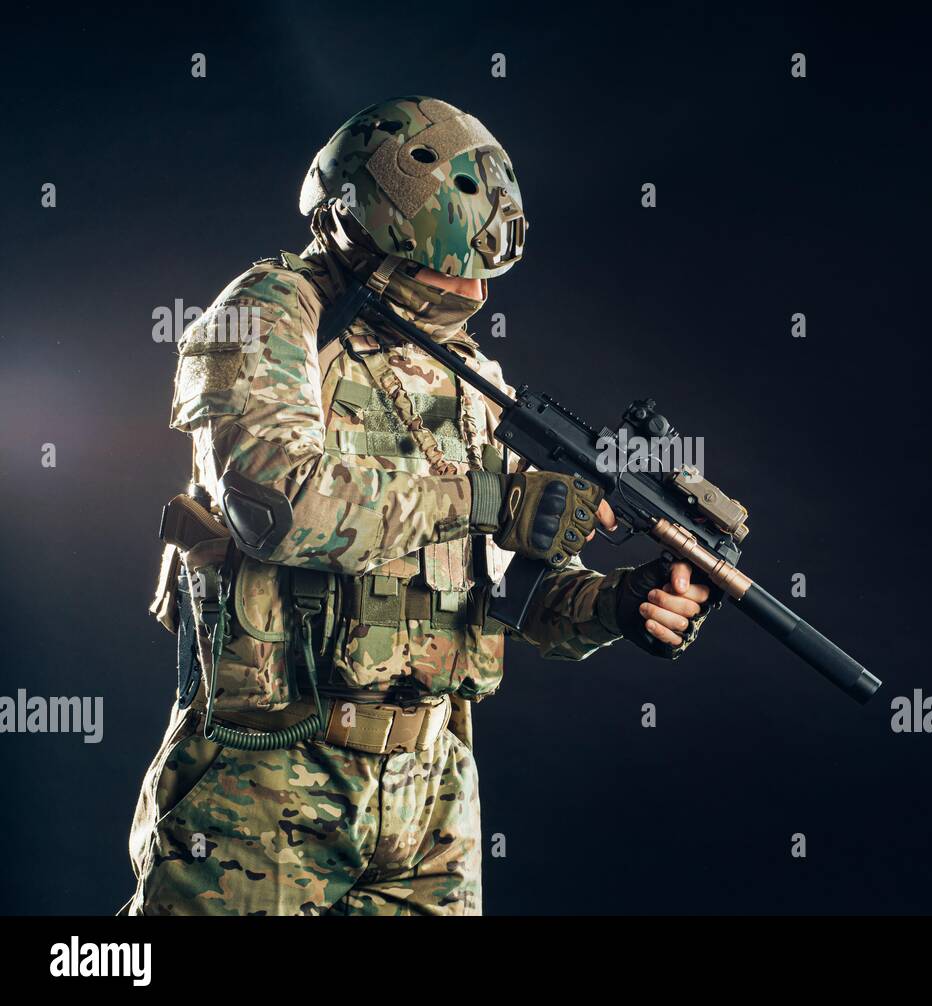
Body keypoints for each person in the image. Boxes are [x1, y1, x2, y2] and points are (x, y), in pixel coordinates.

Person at [127, 96, 713, 916]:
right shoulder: (268, 313)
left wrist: (621, 602)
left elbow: (512, 593)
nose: (469, 287)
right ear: (368, 234)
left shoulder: (470, 377)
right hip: (271, 775)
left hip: (432, 791)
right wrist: (491, 498)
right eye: (449, 264)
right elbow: (280, 504)